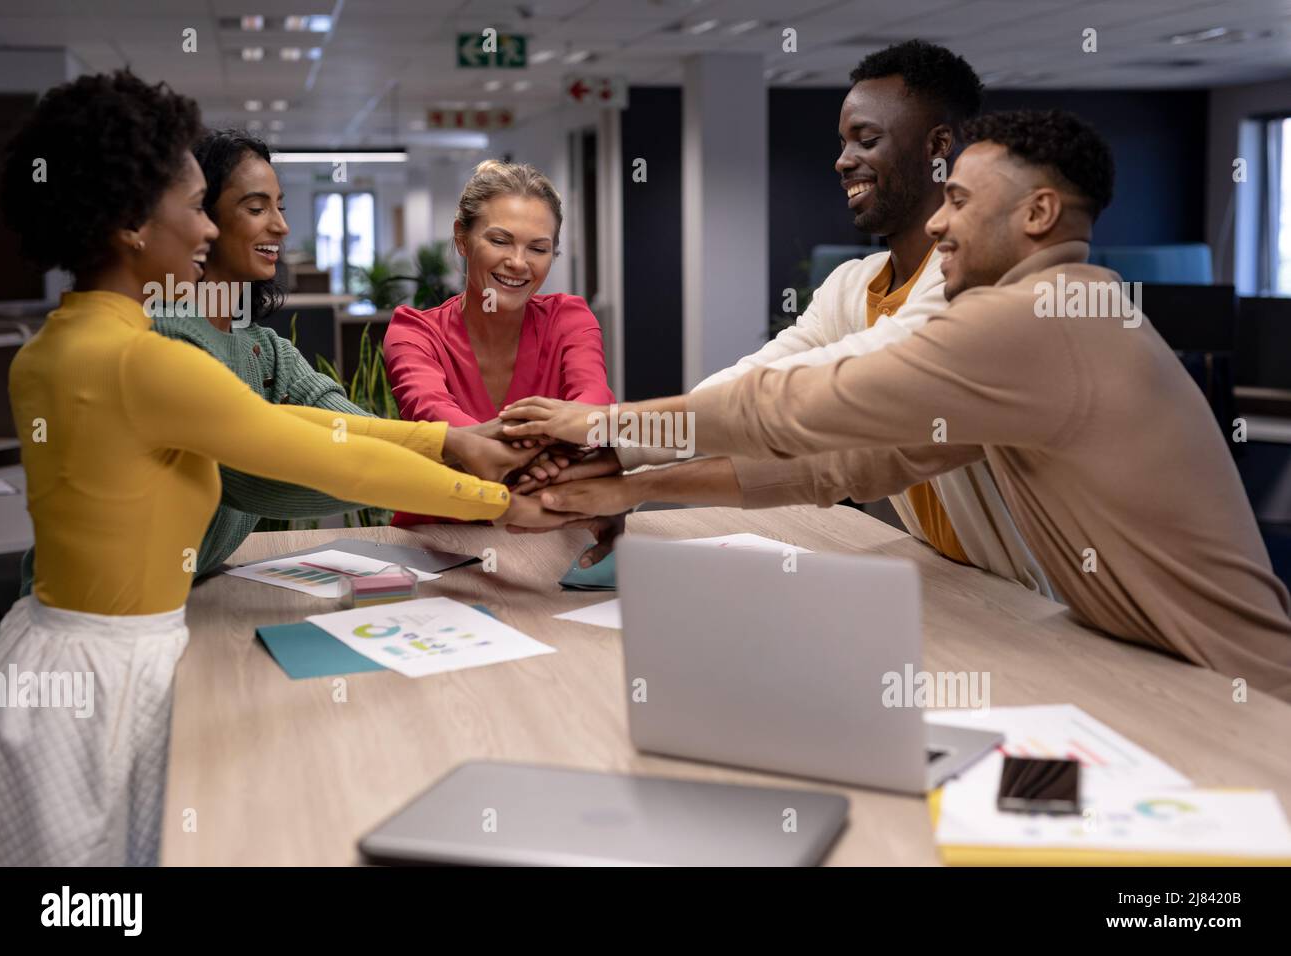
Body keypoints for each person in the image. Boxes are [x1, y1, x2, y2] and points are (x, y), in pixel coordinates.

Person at [502, 109, 1291, 702]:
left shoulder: (1036, 318)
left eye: (957, 199)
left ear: (1038, 214)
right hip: (1149, 670)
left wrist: (604, 423)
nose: (938, 221)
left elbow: (801, 405)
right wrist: (634, 487)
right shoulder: (1064, 312)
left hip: (1237, 694)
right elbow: (859, 463)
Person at [0, 71, 573, 866]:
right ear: (131, 221)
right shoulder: (146, 359)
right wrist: (492, 499)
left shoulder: (58, 347)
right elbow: (307, 456)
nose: (205, 230)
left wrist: (448, 445)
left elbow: (296, 423)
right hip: (108, 670)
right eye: (197, 207)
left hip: (54, 651)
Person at [515, 40, 1050, 594]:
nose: (844, 160)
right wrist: (615, 459)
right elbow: (753, 380)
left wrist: (610, 433)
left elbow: (809, 396)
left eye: (867, 140)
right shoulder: (853, 284)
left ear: (938, 146)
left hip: (1035, 598)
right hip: (944, 578)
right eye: (843, 142)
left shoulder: (977, 285)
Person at [16, 128, 532, 594]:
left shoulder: (258, 346)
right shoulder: (157, 345)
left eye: (280, 205)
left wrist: (455, 445)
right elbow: (270, 468)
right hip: (113, 627)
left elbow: (335, 427)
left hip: (177, 599)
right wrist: (497, 498)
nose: (282, 227)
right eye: (255, 207)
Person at [383, 159, 615, 525]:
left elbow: (594, 402)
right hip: (436, 541)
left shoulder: (568, 318)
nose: (518, 263)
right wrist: (548, 443)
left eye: (537, 249)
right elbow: (434, 420)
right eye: (499, 241)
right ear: (462, 238)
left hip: (544, 533)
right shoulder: (414, 332)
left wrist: (529, 442)